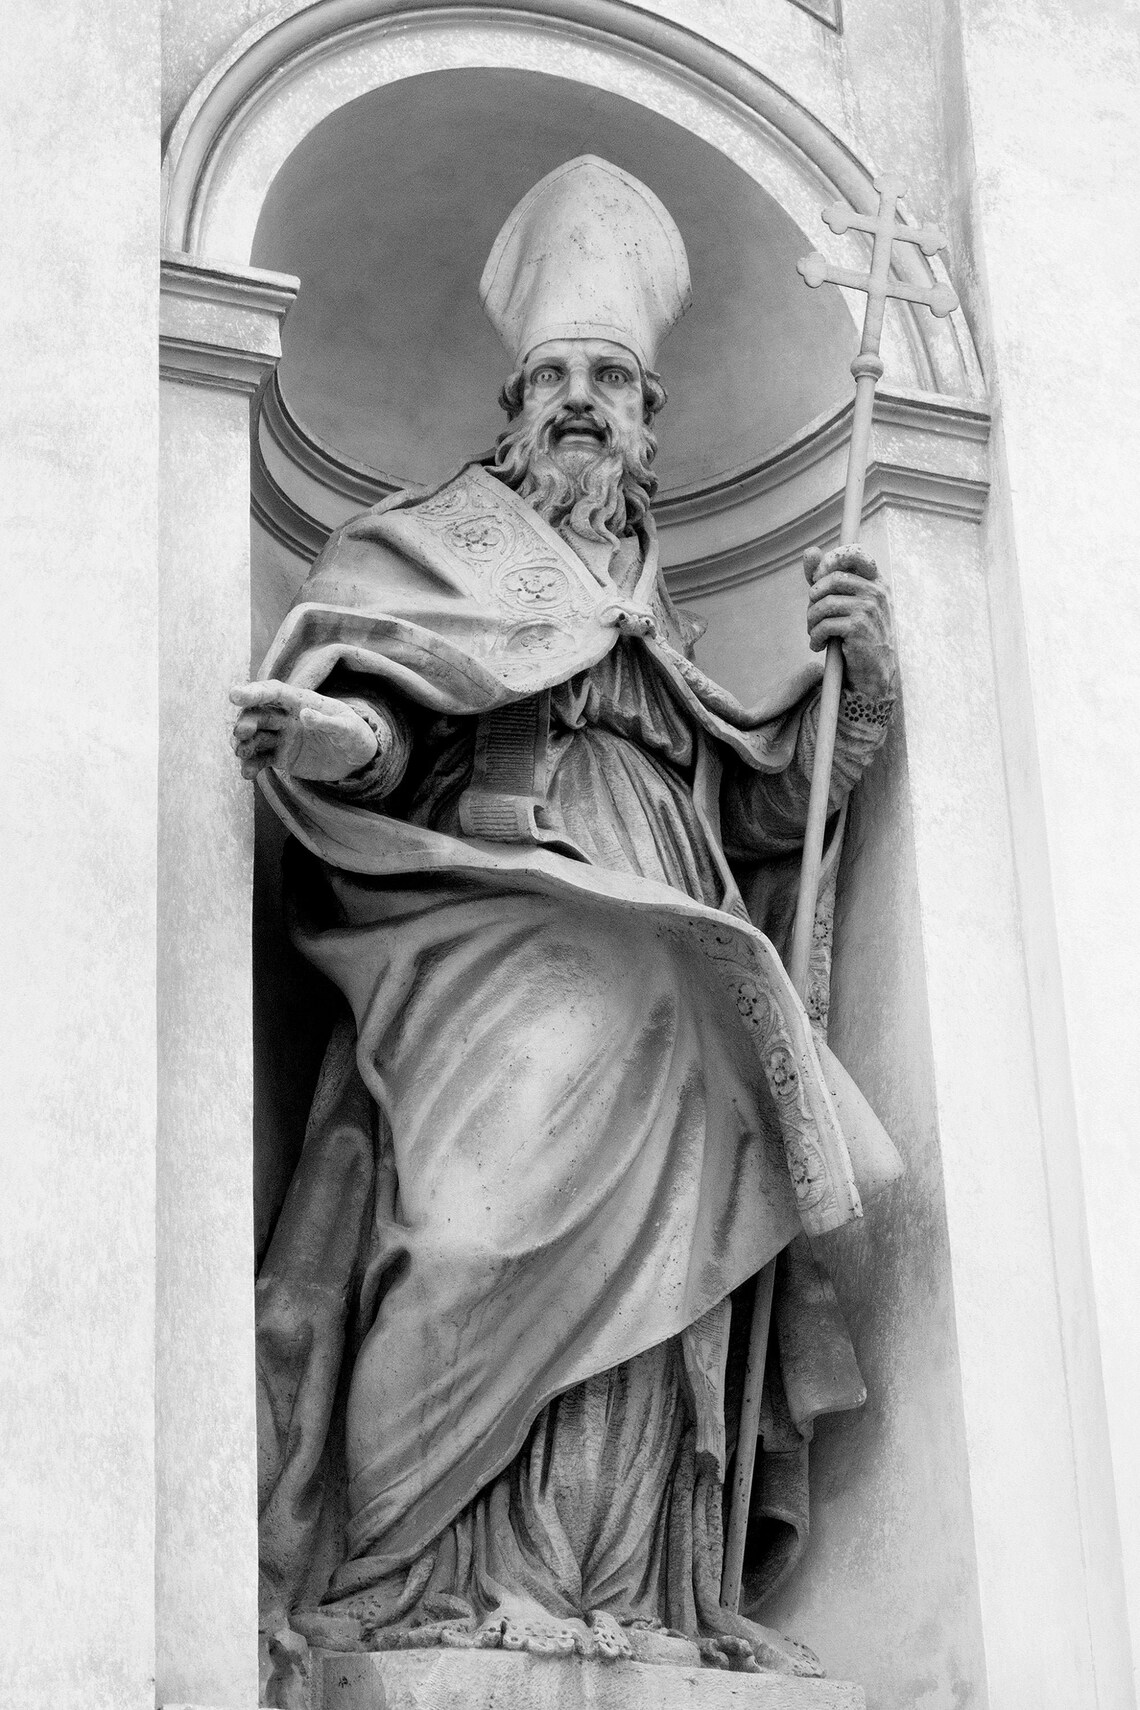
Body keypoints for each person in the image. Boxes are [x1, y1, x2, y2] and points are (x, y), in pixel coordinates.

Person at [238, 157, 900, 1680]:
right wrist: (326, 741)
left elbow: (760, 809)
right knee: (466, 1230)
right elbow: (382, 723)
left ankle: (621, 1597)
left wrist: (847, 689)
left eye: (613, 376)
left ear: (655, 425)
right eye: (559, 377)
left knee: (672, 1292)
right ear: (514, 408)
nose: (586, 399)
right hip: (496, 931)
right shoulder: (434, 554)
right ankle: (404, 1568)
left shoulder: (656, 610)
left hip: (671, 934)